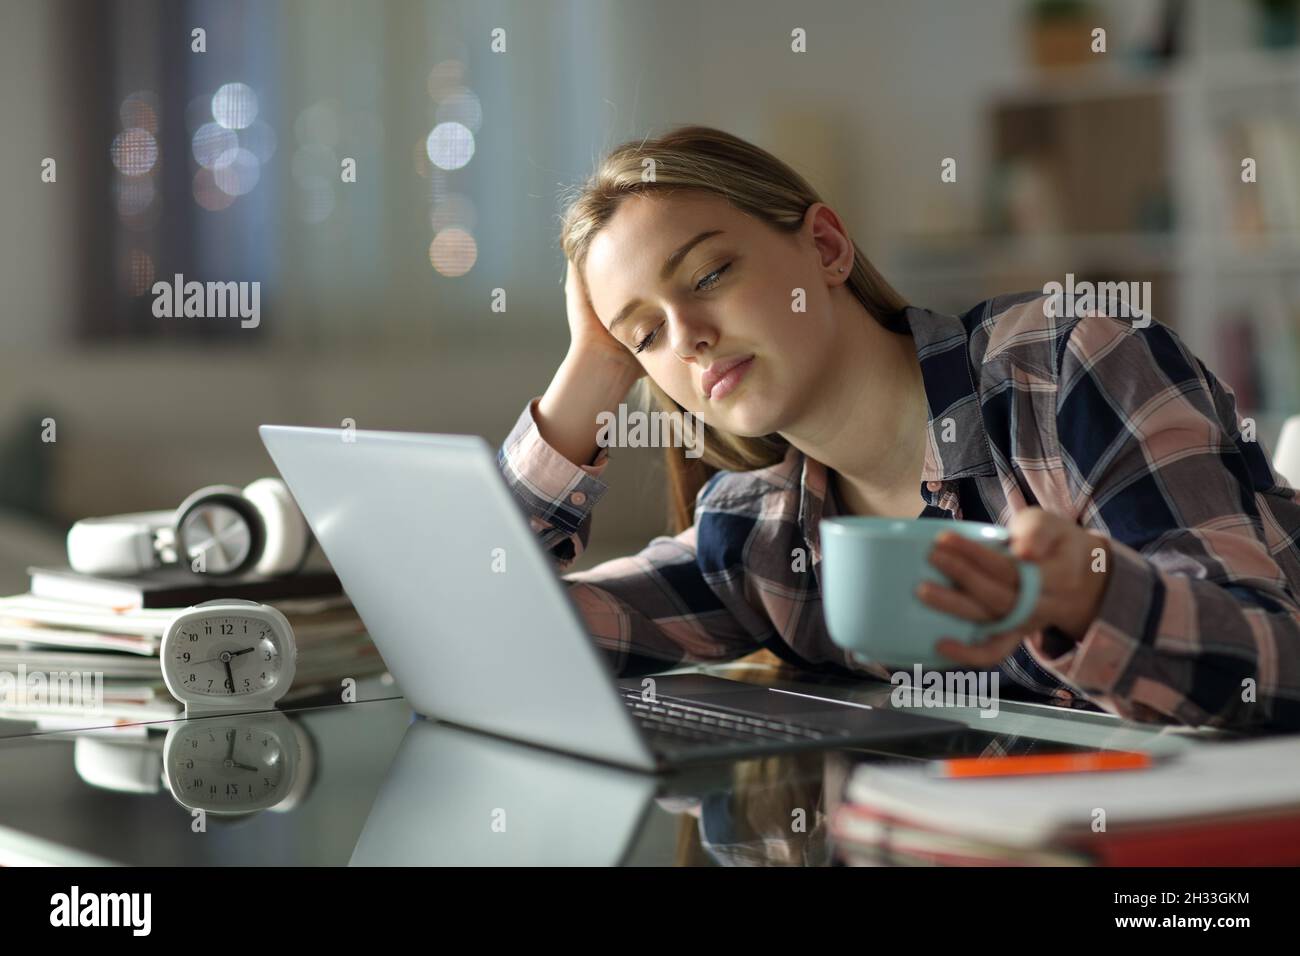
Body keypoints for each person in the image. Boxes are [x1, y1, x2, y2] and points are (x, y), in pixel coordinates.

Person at [495, 125, 1300, 732]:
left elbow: (1274, 660)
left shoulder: (1068, 369)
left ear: (826, 247)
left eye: (710, 274)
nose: (688, 336)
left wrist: (1094, 597)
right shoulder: (762, 541)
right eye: (644, 337)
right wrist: (589, 376)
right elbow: (499, 627)